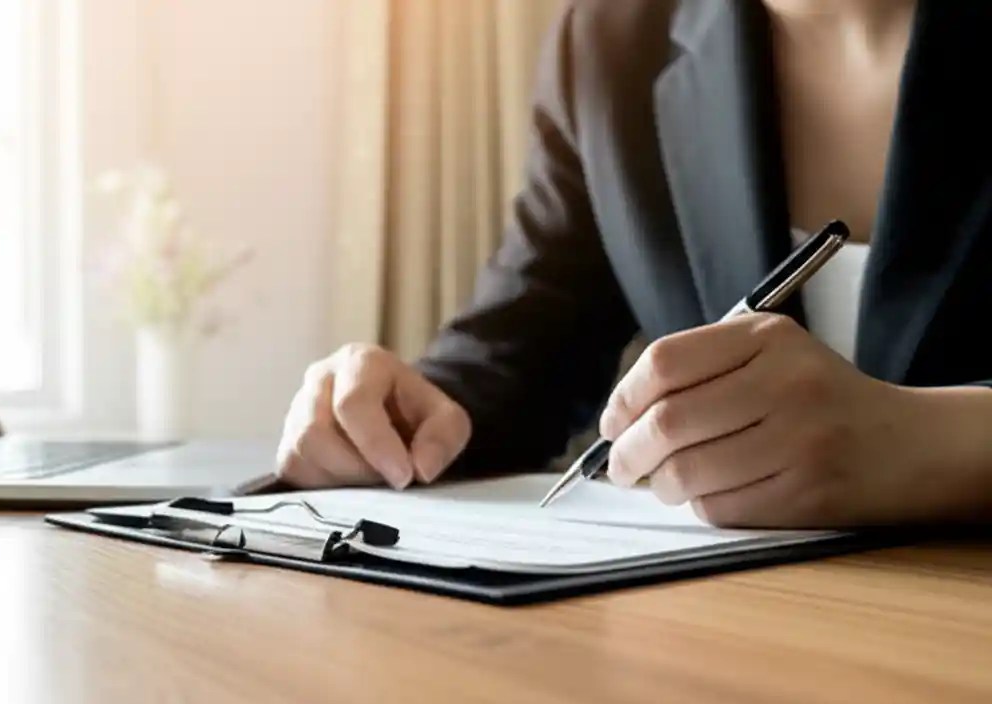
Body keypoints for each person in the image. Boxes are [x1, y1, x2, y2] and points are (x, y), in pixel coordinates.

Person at [275, 0, 992, 528]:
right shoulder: (610, 40)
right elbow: (520, 350)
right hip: (745, 641)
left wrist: (928, 442)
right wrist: (393, 418)